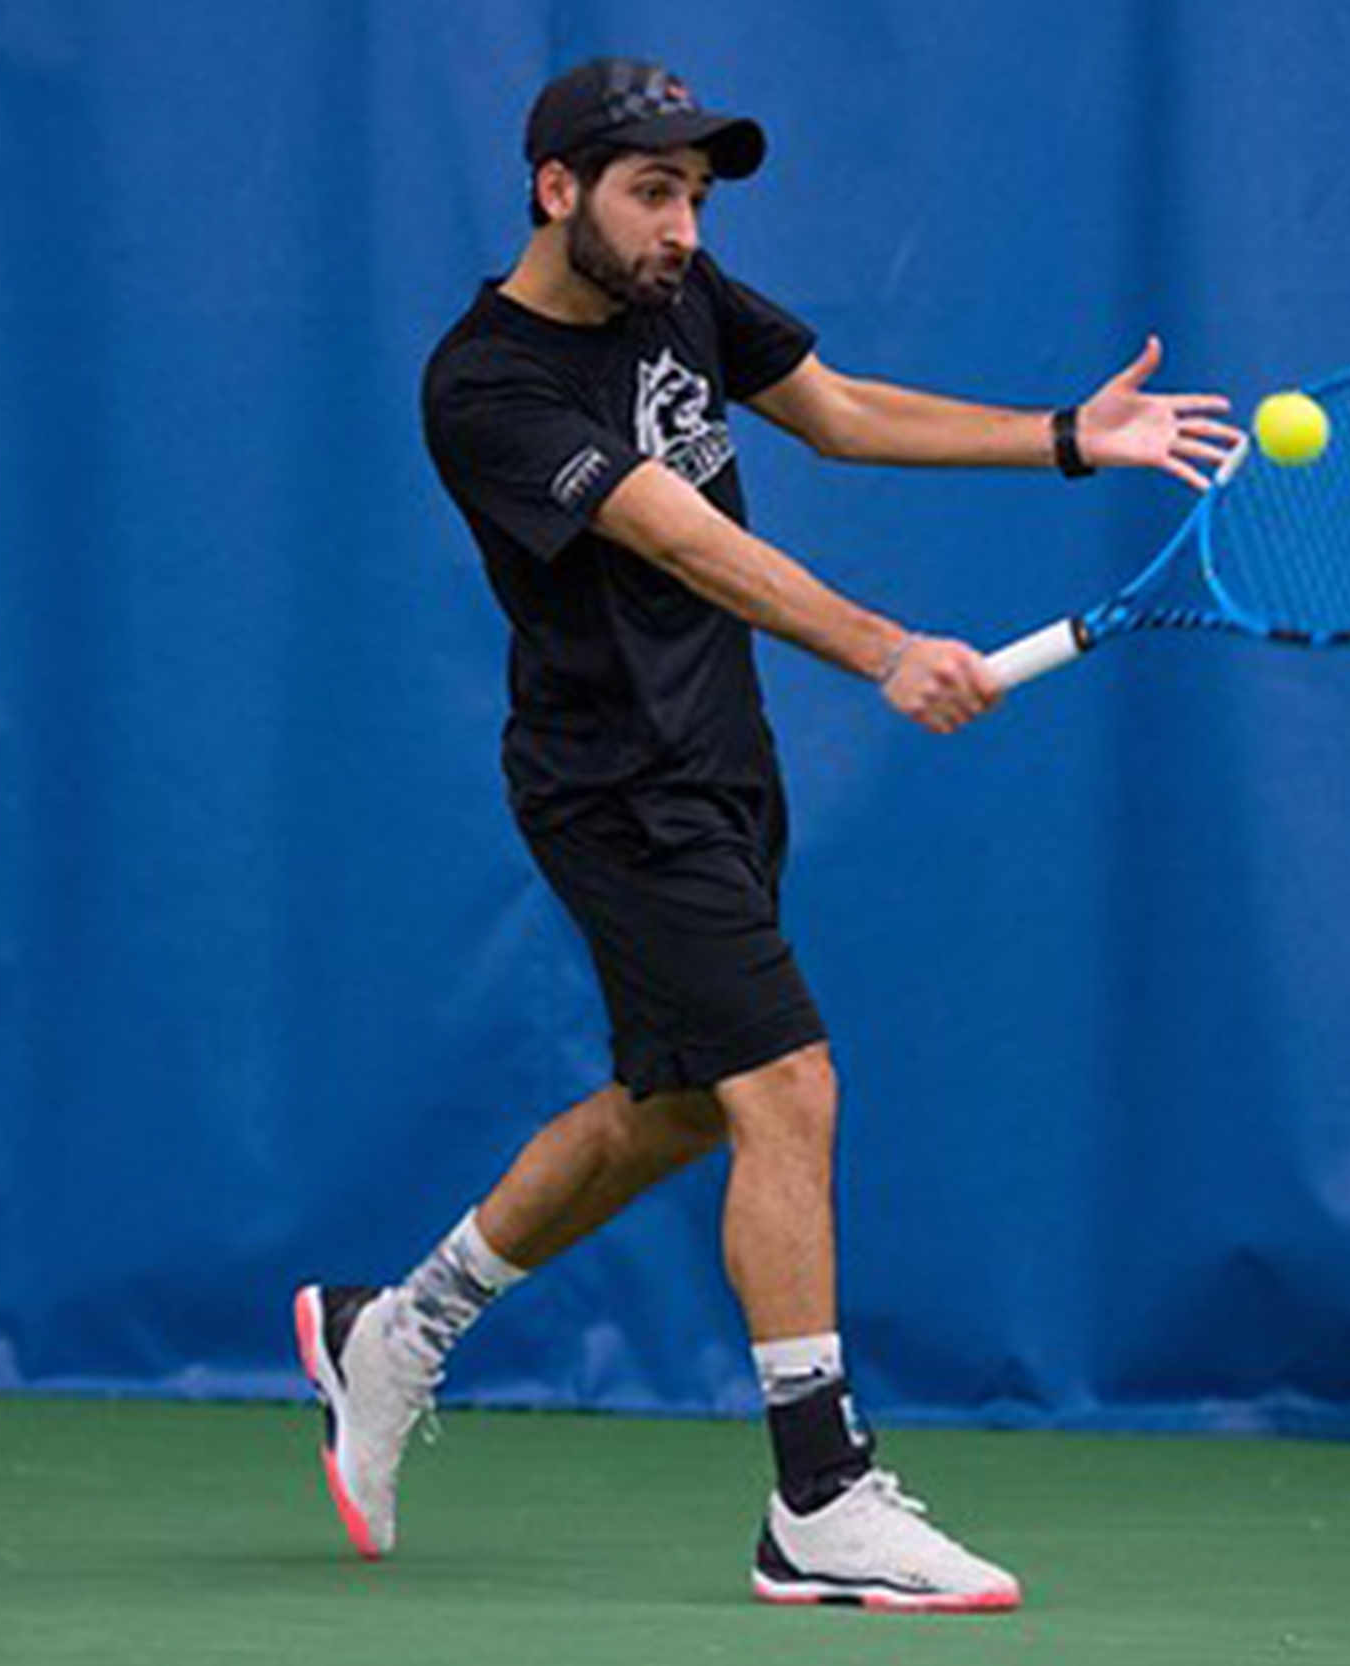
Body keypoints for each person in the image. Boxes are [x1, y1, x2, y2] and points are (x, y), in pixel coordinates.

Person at [297, 56, 1236, 1613]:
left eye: (696, 198)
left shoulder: (685, 293)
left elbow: (849, 416)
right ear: (557, 190)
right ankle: (819, 1492)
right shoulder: (486, 386)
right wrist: (882, 648)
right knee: (787, 1085)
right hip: (616, 791)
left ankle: (392, 1330)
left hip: (724, 766)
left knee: (674, 1111)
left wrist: (1070, 434)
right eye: (653, 192)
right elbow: (686, 536)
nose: (681, 228)